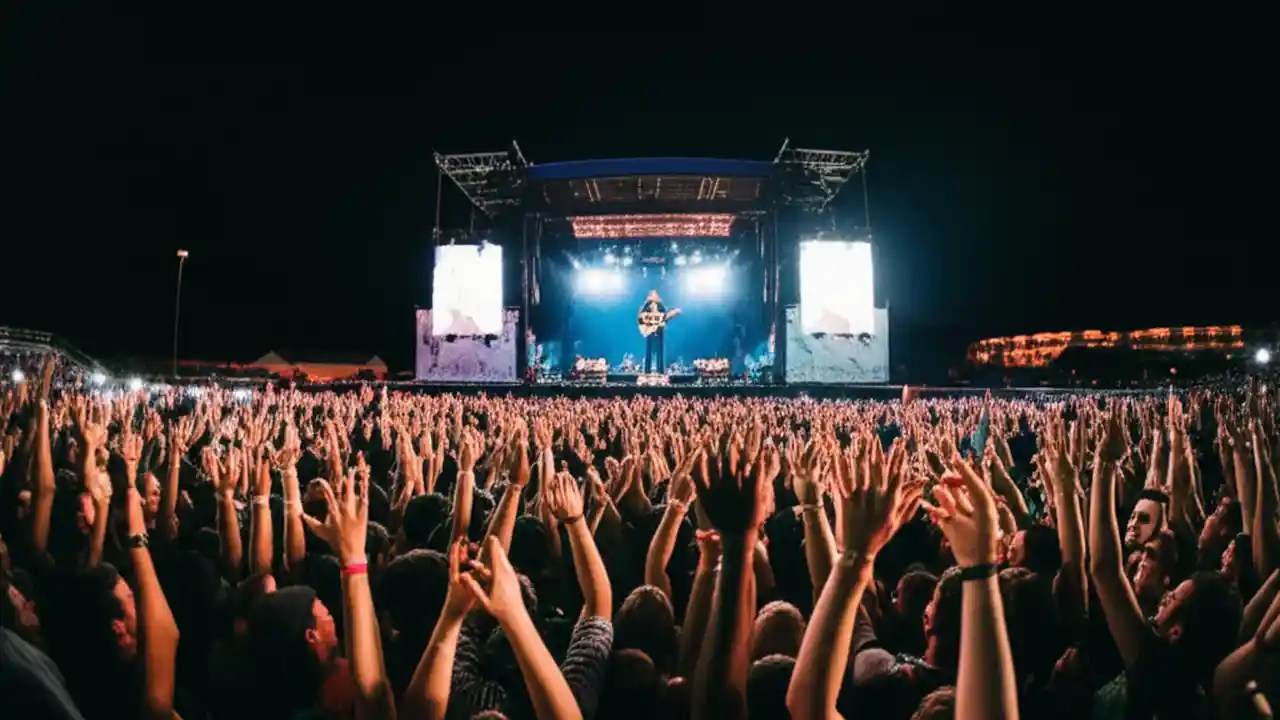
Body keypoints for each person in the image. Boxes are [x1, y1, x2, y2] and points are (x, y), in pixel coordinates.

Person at [636, 290, 678, 374]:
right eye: (652, 295)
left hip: (659, 330)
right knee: (648, 351)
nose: (653, 296)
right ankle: (647, 371)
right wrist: (647, 303)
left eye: (655, 295)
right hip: (649, 330)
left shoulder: (660, 306)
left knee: (660, 350)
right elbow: (641, 316)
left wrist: (673, 313)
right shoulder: (646, 306)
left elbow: (665, 316)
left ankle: (661, 370)